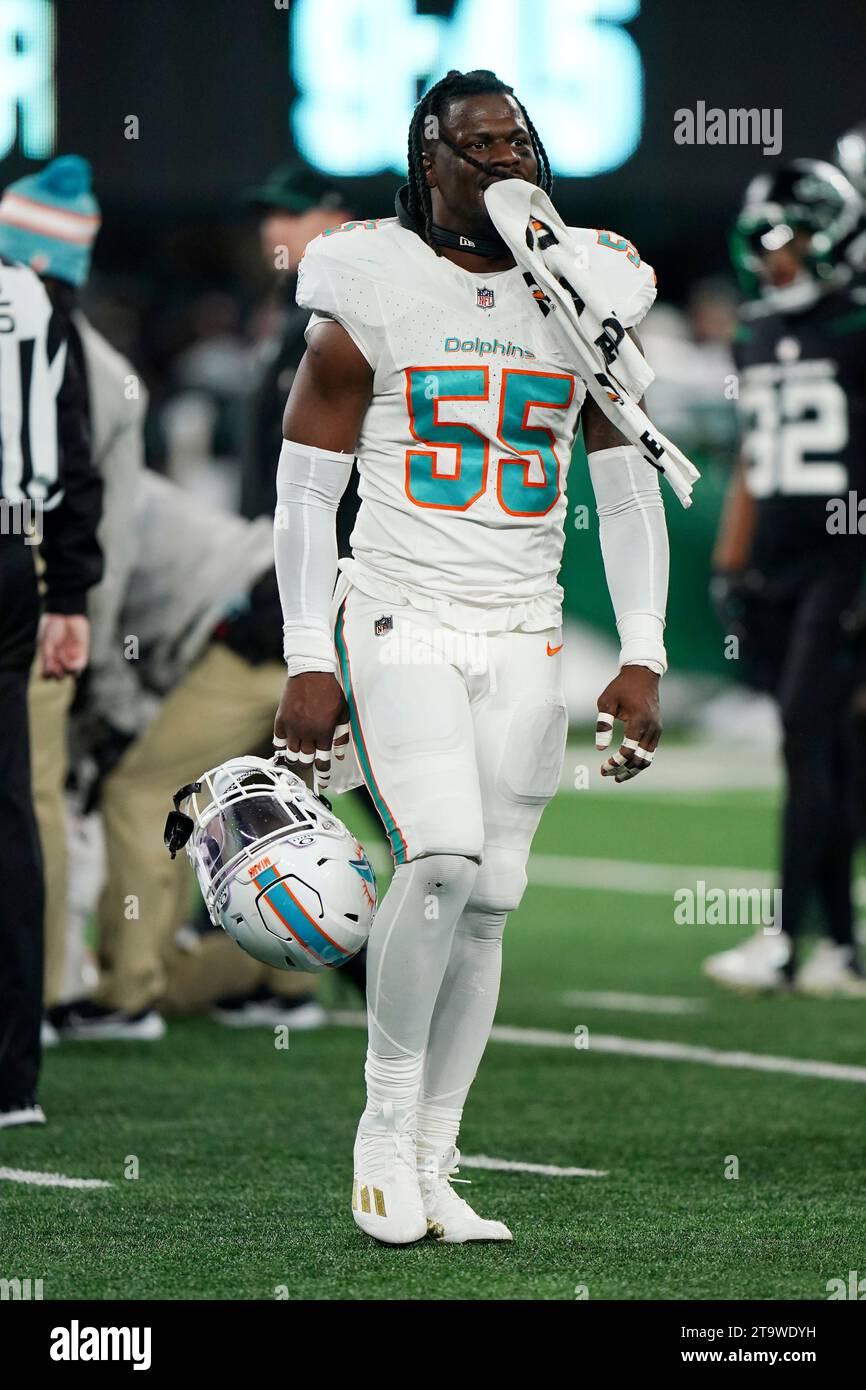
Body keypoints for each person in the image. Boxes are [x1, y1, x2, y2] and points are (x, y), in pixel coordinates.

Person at [273, 69, 680, 1244]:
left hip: (523, 621)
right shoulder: (372, 278)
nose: (508, 160)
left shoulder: (584, 283)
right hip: (400, 605)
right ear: (429, 161)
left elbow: (624, 479)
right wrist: (308, 654)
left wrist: (643, 649)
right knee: (442, 855)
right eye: (480, 143)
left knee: (493, 897)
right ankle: (380, 1131)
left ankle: (437, 1156)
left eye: (519, 139)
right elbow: (307, 489)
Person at [706, 160, 866, 997]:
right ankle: (840, 948)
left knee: (807, 747)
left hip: (845, 567)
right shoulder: (756, 330)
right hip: (776, 570)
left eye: (787, 237)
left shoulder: (858, 325)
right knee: (828, 753)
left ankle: (779, 939)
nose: (772, 256)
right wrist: (731, 561)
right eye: (760, 239)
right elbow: (748, 462)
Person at [0, 156, 148, 1027]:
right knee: (31, 795)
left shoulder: (52, 344)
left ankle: (45, 986)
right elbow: (110, 517)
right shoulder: (98, 357)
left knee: (32, 794)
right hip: (47, 580)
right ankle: (44, 988)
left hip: (39, 569)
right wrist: (88, 612)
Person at [0, 159, 103, 1127]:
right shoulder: (41, 309)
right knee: (15, 810)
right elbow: (74, 465)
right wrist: (68, 590)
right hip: (16, 560)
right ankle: (15, 1067)